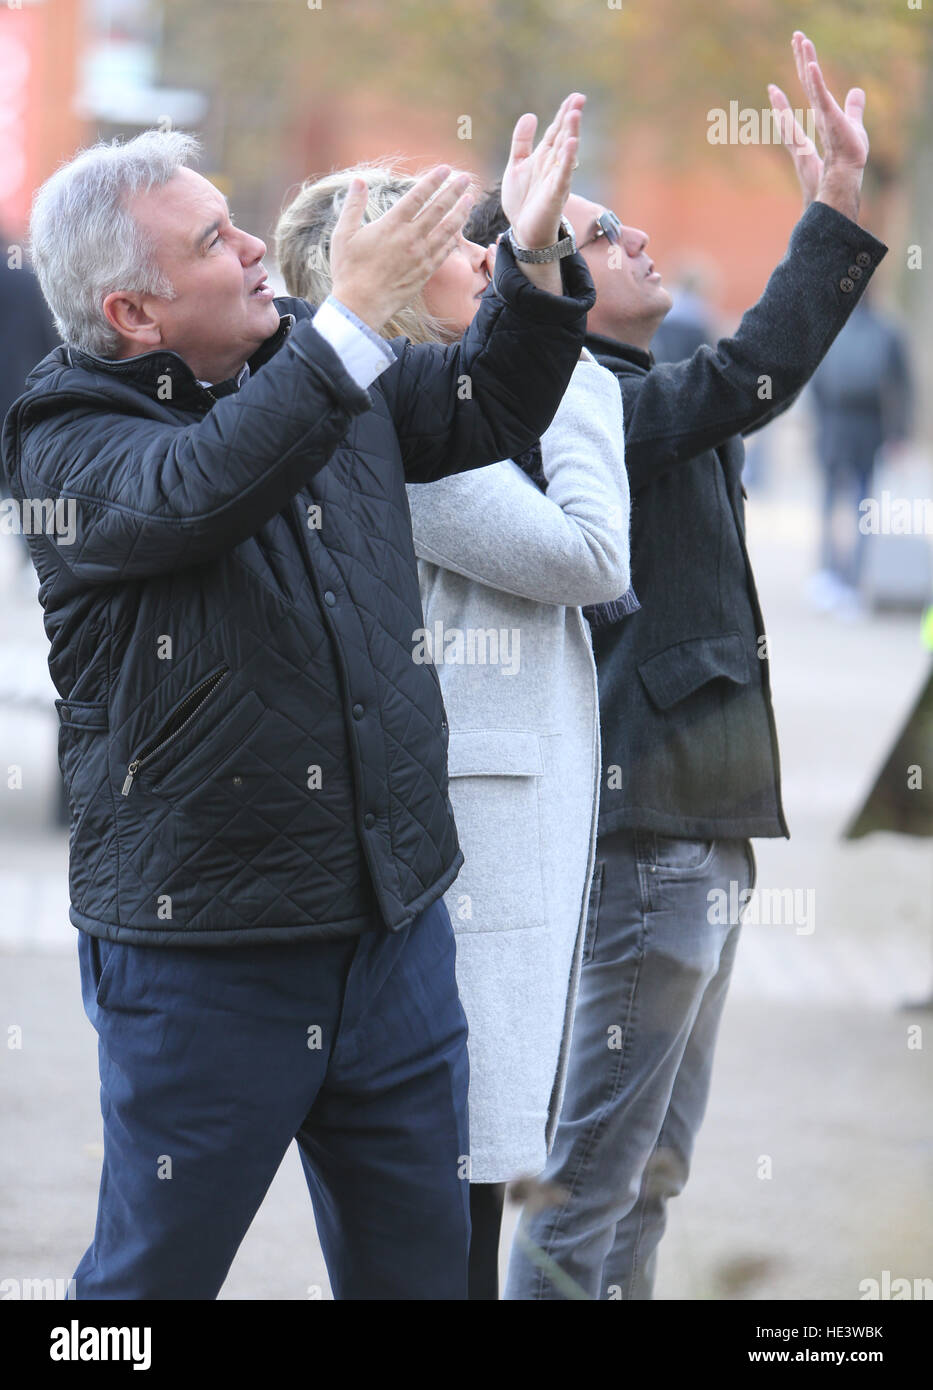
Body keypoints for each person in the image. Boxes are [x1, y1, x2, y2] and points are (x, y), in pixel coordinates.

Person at [1, 94, 596, 1300]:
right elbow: (197, 487)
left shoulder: (316, 376)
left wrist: (531, 262)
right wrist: (348, 329)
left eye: (236, 222)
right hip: (204, 957)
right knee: (140, 1290)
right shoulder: (67, 434)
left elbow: (491, 402)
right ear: (133, 311)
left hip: (392, 939)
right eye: (215, 241)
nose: (254, 245)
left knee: (423, 1278)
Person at [466, 31, 888, 1300]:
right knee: (587, 1183)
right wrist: (831, 218)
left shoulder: (631, 389)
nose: (640, 241)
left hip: (697, 829)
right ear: (539, 275)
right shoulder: (573, 403)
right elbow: (750, 377)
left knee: (648, 1172)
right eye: (599, 237)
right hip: (643, 836)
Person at [276, 162, 635, 1299]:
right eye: (447, 235)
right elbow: (590, 556)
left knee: (460, 1199)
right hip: (471, 845)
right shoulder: (391, 421)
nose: (484, 253)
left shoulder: (427, 403)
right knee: (451, 1197)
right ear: (368, 275)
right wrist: (572, 365)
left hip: (490, 822)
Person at [808, 292, 913, 612]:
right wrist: (898, 434)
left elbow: (816, 383)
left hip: (836, 427)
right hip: (867, 428)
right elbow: (903, 385)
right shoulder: (888, 330)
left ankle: (829, 575)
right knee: (860, 506)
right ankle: (849, 581)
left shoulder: (833, 329)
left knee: (833, 504)